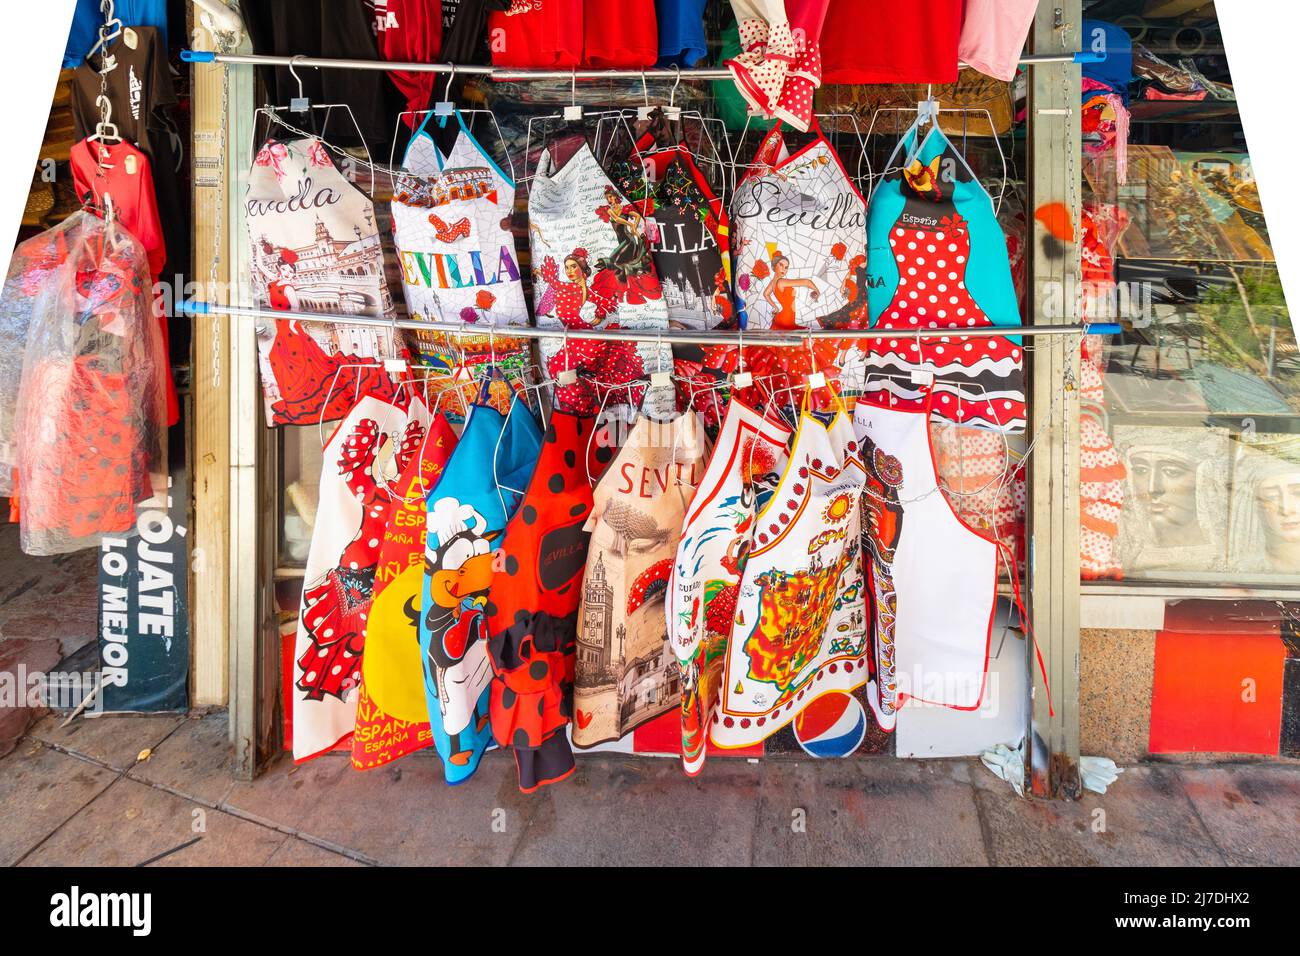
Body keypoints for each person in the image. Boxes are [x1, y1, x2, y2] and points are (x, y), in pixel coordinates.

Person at [762, 254, 819, 329]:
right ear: (774, 266)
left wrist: (775, 307)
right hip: (786, 319)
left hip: (783, 318)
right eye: (781, 265)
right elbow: (806, 282)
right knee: (809, 336)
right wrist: (817, 291)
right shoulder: (781, 282)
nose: (784, 269)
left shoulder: (773, 282)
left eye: (786, 267)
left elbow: (766, 294)